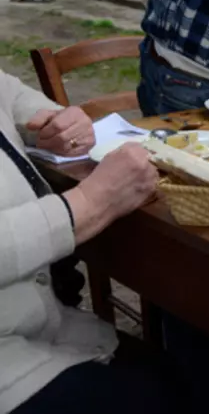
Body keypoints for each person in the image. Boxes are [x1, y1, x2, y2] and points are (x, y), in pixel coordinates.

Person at [0, 70, 178, 413]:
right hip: (11, 369)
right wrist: (91, 204)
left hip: (46, 326)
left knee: (192, 373)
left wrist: (53, 121)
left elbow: (9, 92)